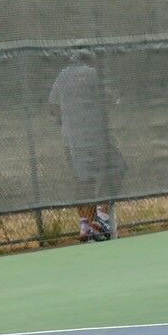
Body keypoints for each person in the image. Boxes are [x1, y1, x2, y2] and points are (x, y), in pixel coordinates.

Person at [48, 53, 126, 242]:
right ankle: (103, 218)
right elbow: (111, 99)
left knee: (84, 181)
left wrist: (67, 125)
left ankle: (87, 226)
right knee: (117, 170)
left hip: (71, 141)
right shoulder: (92, 74)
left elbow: (52, 106)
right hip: (96, 138)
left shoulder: (63, 75)